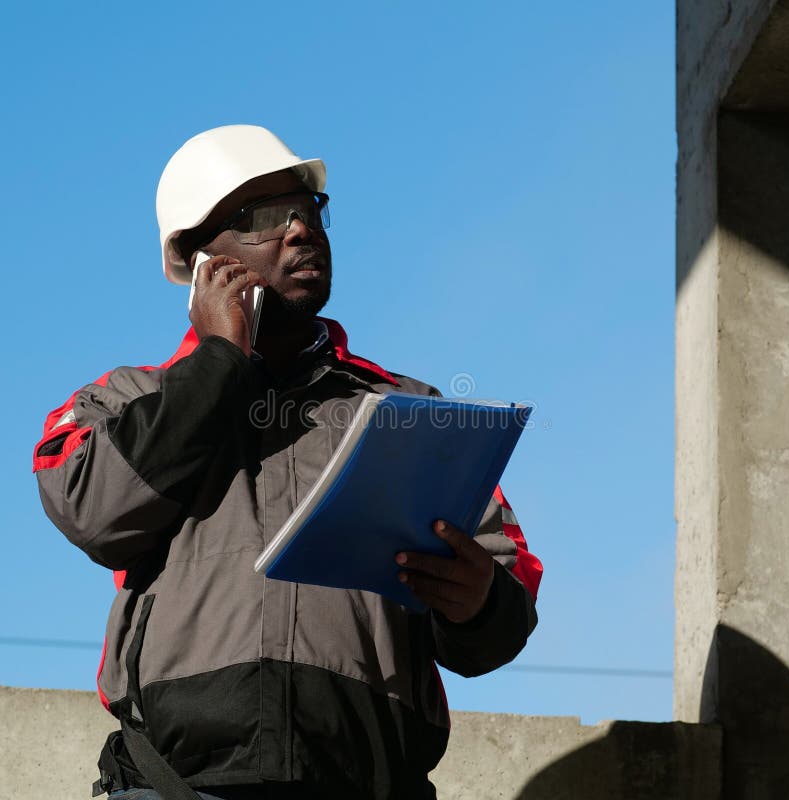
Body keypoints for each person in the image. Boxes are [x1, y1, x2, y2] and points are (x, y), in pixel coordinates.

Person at [33, 125, 542, 800]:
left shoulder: (412, 414)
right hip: (169, 786)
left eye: (309, 210)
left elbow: (506, 595)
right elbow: (94, 512)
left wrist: (479, 605)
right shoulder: (123, 401)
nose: (301, 229)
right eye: (266, 218)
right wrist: (219, 363)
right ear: (200, 257)